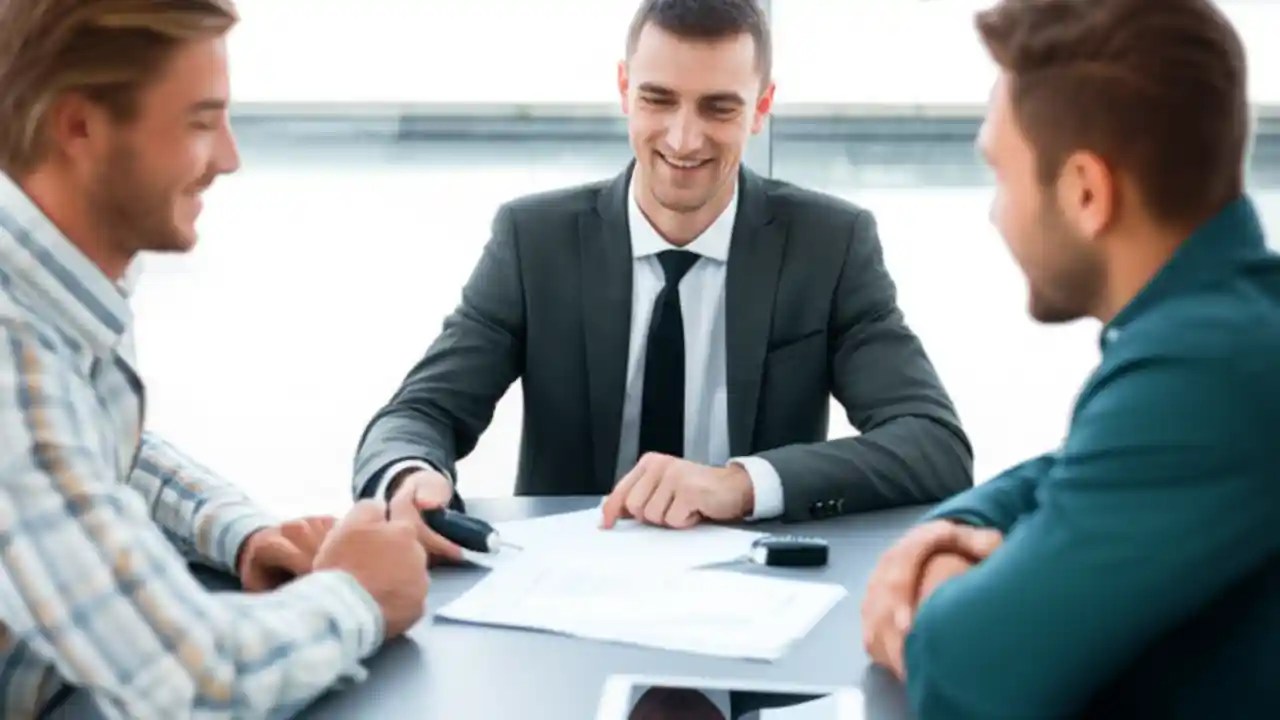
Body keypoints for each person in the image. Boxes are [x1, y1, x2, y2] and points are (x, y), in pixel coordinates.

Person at [354, 0, 972, 561]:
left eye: (718, 107)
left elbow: (933, 445)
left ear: (760, 107)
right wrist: (409, 478)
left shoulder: (828, 245)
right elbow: (418, 413)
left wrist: (740, 483)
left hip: (761, 591)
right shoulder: (533, 241)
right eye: (658, 99)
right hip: (566, 590)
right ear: (624, 89)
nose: (683, 138)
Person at [0, 2, 429, 718]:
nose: (229, 157)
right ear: (77, 125)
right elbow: (197, 682)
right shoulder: (12, 357)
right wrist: (357, 593)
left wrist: (242, 534)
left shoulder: (49, 289)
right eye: (200, 121)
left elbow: (86, 450)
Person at [860, 0, 1280, 717]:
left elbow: (971, 672)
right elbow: (1078, 468)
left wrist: (929, 592)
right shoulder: (1233, 327)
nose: (995, 213)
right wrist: (940, 539)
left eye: (1002, 174)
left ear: (1086, 191)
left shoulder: (1209, 371)